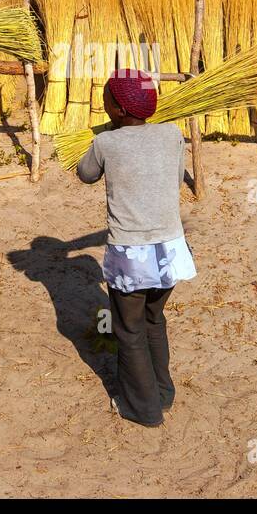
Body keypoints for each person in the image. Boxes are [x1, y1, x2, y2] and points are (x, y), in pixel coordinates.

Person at [76, 70, 196, 427]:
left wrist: (102, 139)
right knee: (154, 319)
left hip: (132, 254)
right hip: (171, 251)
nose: (103, 102)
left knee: (128, 331)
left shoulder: (106, 143)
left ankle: (142, 409)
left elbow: (85, 173)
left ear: (116, 108)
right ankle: (164, 393)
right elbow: (175, 180)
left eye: (107, 97)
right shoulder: (172, 134)